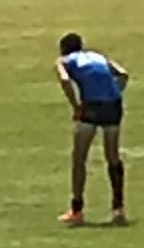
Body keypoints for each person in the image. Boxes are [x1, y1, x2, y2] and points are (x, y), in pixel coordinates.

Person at [55, 32, 129, 224]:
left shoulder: (64, 60)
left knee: (79, 157)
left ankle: (77, 209)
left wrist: (76, 105)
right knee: (112, 156)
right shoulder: (98, 56)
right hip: (113, 104)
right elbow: (123, 75)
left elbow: (64, 80)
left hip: (91, 106)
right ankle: (118, 208)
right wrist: (113, 93)